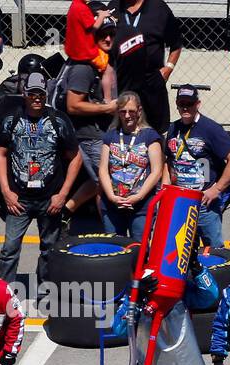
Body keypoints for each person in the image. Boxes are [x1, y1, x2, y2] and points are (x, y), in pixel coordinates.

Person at [0, 73, 82, 285]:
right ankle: (4, 290)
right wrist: (6, 191)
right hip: (19, 197)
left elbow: (76, 156)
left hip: (49, 197)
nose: (36, 98)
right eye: (32, 93)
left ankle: (45, 288)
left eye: (40, 94)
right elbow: (0, 152)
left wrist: (62, 194)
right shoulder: (11, 120)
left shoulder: (58, 120)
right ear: (24, 93)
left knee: (49, 248)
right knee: (10, 248)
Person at [162, 86, 230, 250]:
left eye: (190, 103)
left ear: (198, 104)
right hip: (180, 201)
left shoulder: (210, 128)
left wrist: (217, 189)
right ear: (176, 104)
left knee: (212, 250)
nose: (185, 108)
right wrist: (165, 191)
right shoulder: (173, 128)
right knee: (180, 250)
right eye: (181, 103)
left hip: (204, 202)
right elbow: (168, 161)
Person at [55, 17, 118, 228]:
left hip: (100, 131)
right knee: (108, 181)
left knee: (103, 177)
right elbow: (73, 105)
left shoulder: (100, 61)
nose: (108, 38)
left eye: (112, 34)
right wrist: (107, 108)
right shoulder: (84, 68)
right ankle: (111, 231)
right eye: (103, 35)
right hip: (89, 134)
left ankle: (67, 209)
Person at [99, 91, 163, 239]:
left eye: (131, 111)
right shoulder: (110, 135)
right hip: (113, 203)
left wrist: (139, 197)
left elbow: (156, 171)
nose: (127, 116)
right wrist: (111, 196)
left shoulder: (149, 136)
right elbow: (103, 169)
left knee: (139, 248)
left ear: (139, 111)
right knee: (114, 247)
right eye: (123, 112)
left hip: (141, 205)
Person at [110, 0, 181, 133]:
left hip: (151, 84)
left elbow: (176, 43)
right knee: (122, 133)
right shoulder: (114, 7)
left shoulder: (159, 8)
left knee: (154, 134)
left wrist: (168, 69)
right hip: (121, 85)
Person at [66, 0, 111, 68]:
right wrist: (101, 16)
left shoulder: (75, 6)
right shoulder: (81, 8)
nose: (108, 39)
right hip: (86, 56)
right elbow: (93, 29)